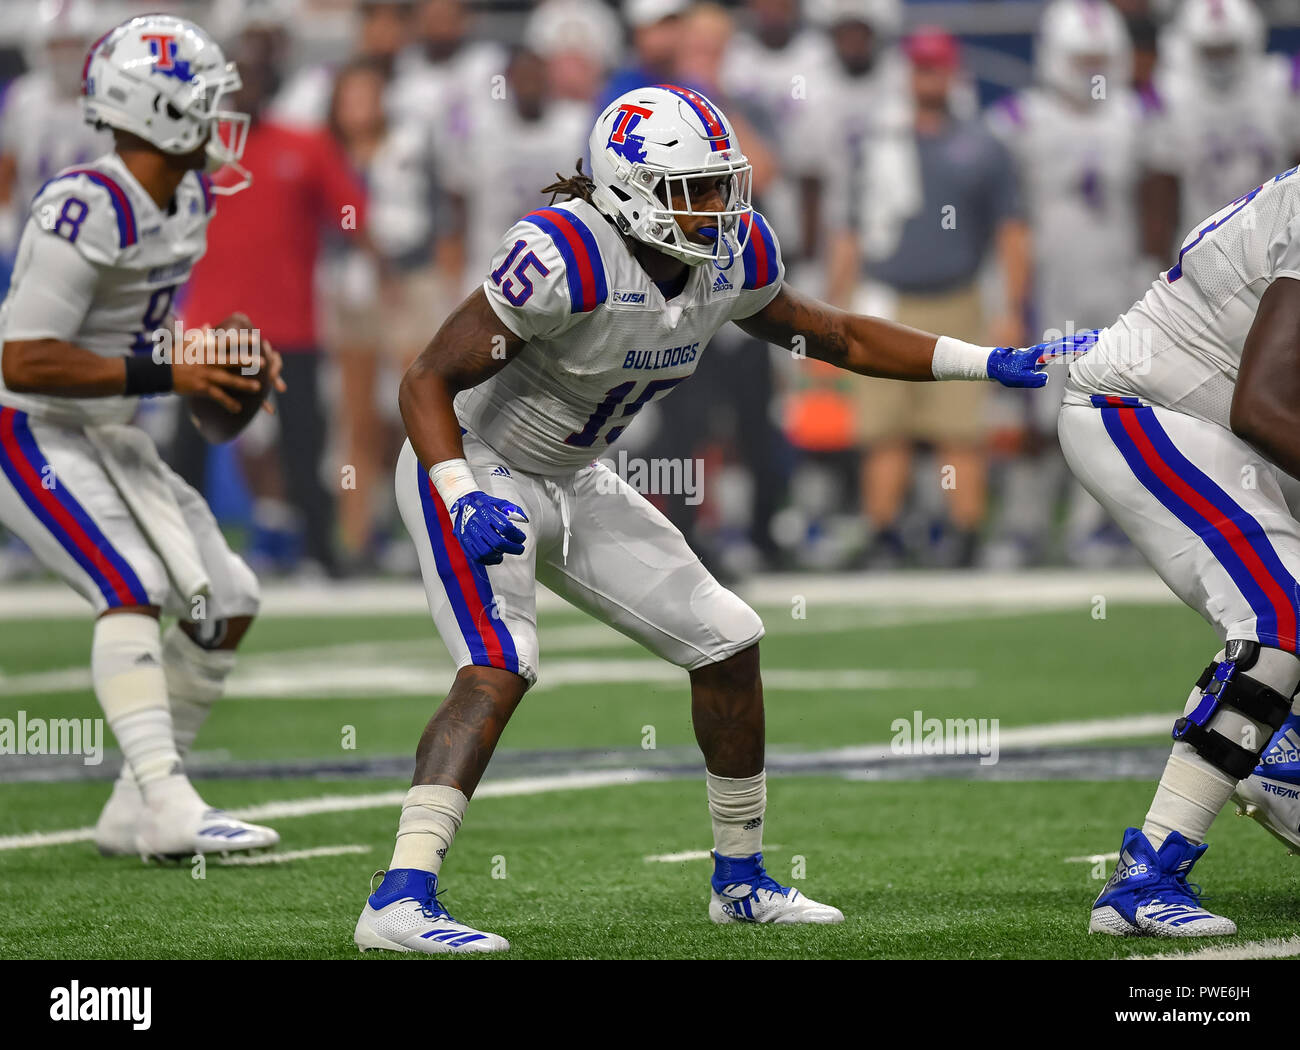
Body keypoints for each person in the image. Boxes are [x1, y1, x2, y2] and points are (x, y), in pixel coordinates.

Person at [354, 85, 1059, 953]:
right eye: (695, 190)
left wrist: (982, 361)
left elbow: (834, 335)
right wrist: (460, 493)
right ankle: (399, 896)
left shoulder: (730, 256)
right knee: (500, 663)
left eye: (725, 186)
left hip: (574, 474)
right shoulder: (565, 253)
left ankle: (740, 880)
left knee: (727, 637)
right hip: (472, 461)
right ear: (628, 188)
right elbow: (425, 379)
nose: (720, 208)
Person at [0, 13, 284, 858]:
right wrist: (175, 373)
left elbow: (129, 331)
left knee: (227, 600)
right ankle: (167, 801)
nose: (220, 117)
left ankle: (132, 808)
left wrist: (206, 354)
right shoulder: (86, 204)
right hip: (29, 428)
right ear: (157, 111)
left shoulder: (189, 192)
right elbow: (21, 359)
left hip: (106, 427)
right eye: (203, 100)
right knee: (130, 583)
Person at [1060, 162, 1300, 936]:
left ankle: (1278, 752)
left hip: (1223, 428)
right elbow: (1262, 406)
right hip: (1143, 408)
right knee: (1282, 619)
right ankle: (1144, 880)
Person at [827, 27, 1029, 568]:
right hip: (884, 302)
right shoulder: (879, 141)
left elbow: (1011, 231)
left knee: (958, 430)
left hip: (957, 300)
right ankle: (882, 535)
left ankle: (965, 535)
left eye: (936, 67)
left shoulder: (983, 144)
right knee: (882, 430)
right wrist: (833, 304)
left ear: (952, 71)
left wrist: (1010, 307)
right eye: (919, 67)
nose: (927, 77)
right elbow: (851, 231)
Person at [984, 0, 1147, 569]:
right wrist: (1005, 293)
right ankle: (1023, 524)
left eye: (1100, 58)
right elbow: (998, 214)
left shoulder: (1137, 113)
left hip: (1120, 276)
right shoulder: (1019, 119)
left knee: (1109, 405)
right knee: (1033, 406)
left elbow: (1158, 202)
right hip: (1045, 281)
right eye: (1082, 58)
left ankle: (1091, 526)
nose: (1091, 69)